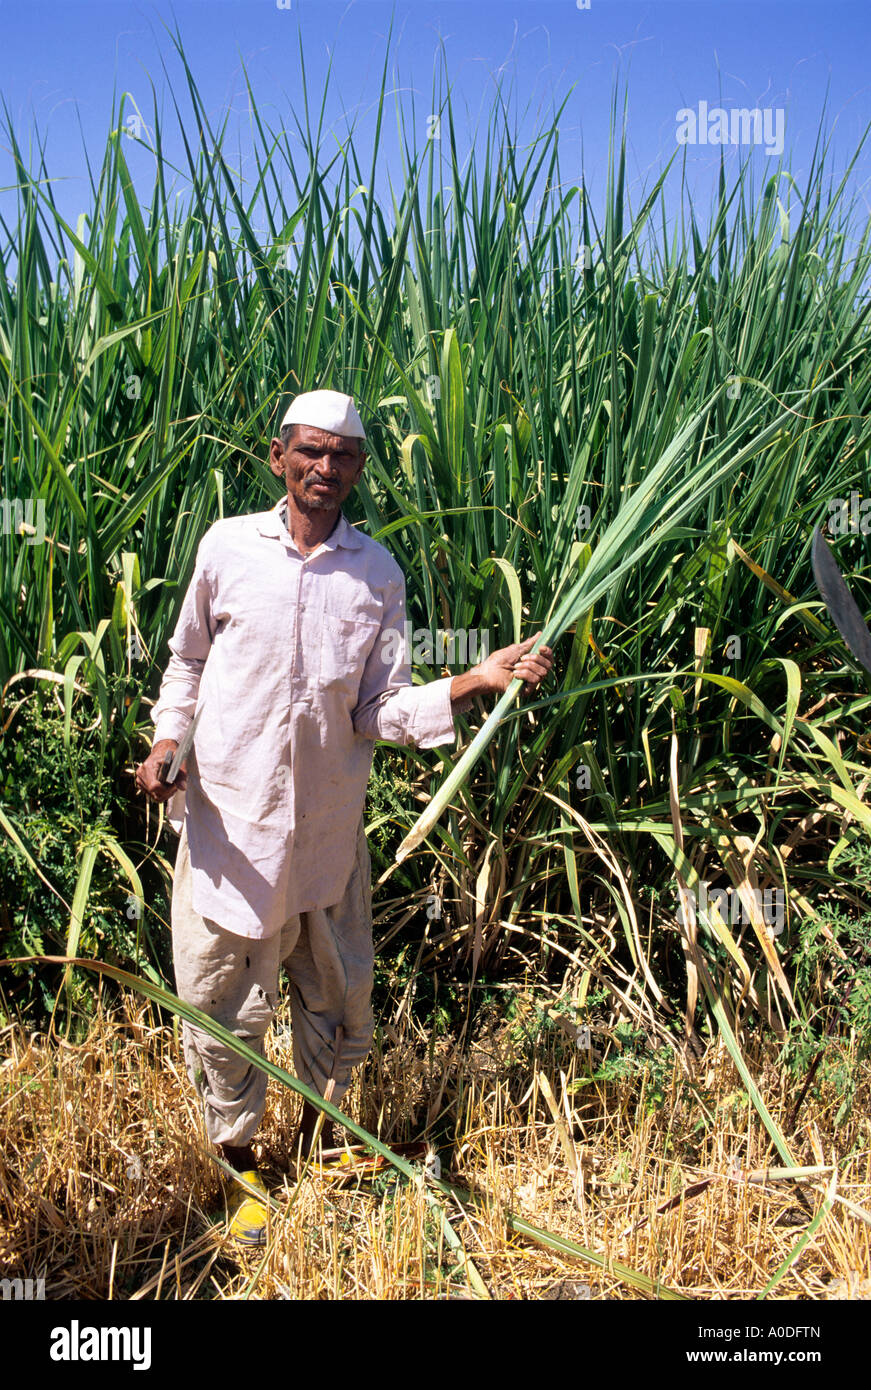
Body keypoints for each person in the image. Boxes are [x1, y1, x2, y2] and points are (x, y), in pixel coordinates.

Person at [135, 389, 553, 1243]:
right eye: (312, 453)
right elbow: (185, 664)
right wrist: (167, 740)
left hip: (325, 833)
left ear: (359, 468)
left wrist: (470, 682)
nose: (326, 470)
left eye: (344, 457)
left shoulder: (376, 574)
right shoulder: (226, 549)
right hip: (229, 830)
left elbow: (379, 709)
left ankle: (326, 1139)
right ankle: (239, 1166)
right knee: (221, 1008)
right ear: (279, 456)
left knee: (336, 998)